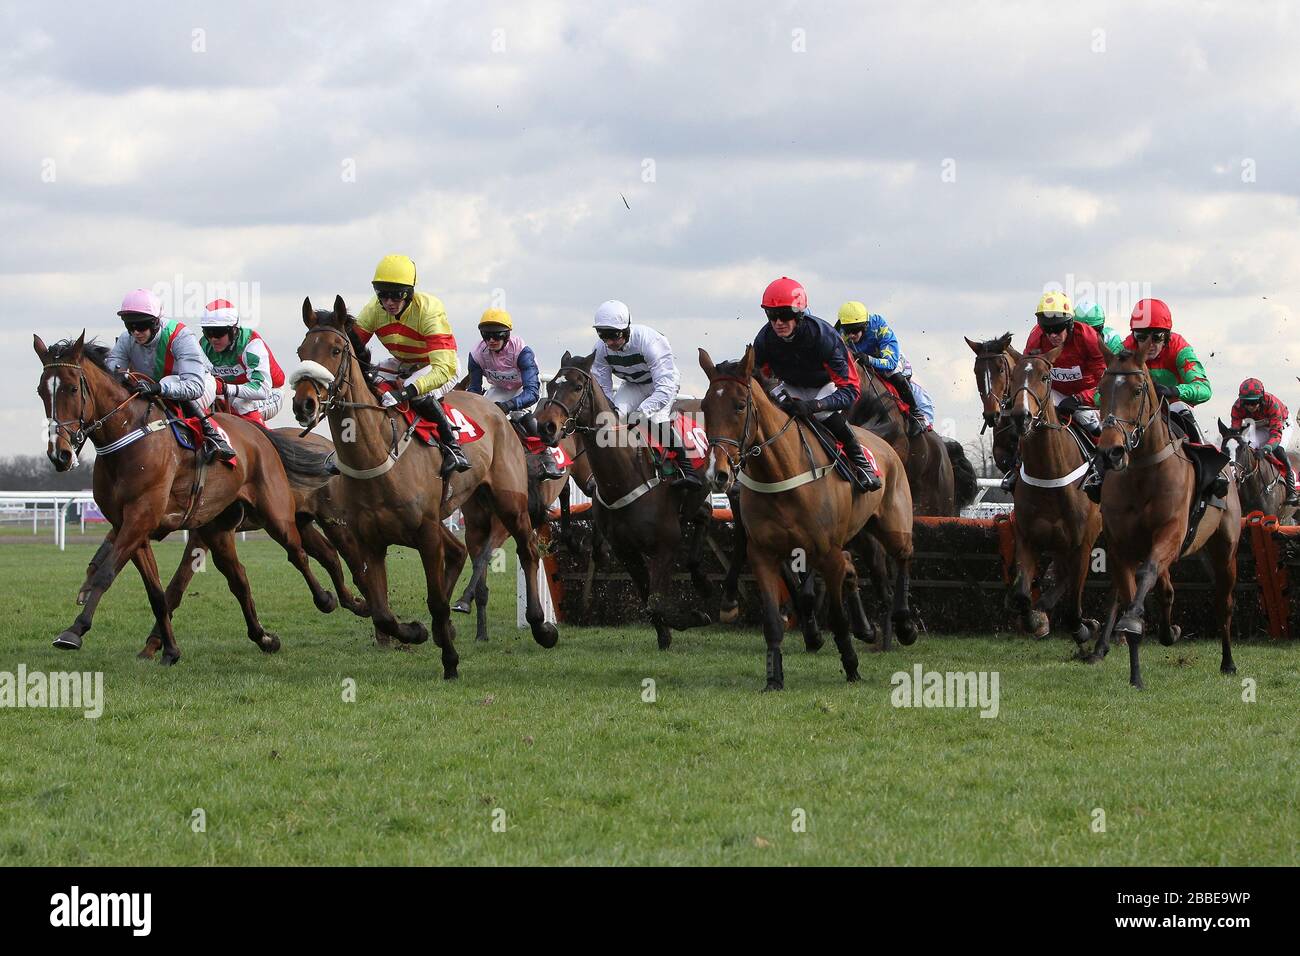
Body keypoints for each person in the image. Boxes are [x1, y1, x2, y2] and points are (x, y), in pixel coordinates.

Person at [752, 277, 881, 493]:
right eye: (771, 315)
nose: (777, 323)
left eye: (784, 315)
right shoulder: (765, 338)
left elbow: (851, 391)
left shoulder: (824, 337)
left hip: (825, 387)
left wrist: (814, 406)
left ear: (799, 314)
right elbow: (757, 378)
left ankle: (861, 463)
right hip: (789, 386)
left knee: (823, 415)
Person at [353, 254, 471, 476]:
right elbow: (351, 347)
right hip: (403, 362)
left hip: (439, 366)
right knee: (365, 381)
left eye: (396, 296)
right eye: (383, 295)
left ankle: (452, 446)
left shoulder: (429, 310)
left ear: (408, 294)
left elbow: (442, 368)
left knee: (416, 392)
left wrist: (406, 392)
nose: (389, 302)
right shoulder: (373, 310)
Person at [106, 288, 235, 461]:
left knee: (169, 382)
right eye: (130, 325)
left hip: (198, 384)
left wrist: (159, 387)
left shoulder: (181, 336)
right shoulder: (126, 339)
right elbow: (111, 371)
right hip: (156, 386)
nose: (136, 332)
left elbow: (194, 387)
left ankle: (212, 436)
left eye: (142, 325)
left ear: (156, 322)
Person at [590, 299, 702, 490]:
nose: (609, 342)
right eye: (603, 335)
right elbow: (603, 390)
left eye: (613, 336)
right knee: (610, 418)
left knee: (657, 420)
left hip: (662, 385)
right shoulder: (600, 349)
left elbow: (664, 388)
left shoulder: (651, 342)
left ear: (626, 329)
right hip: (633, 385)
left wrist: (642, 411)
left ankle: (688, 471)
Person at [1002, 291, 1107, 493]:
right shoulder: (1037, 336)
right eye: (1047, 330)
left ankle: (1102, 472)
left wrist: (1080, 398)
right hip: (1055, 391)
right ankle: (1017, 467)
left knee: (1089, 421)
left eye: (1058, 330)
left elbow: (1104, 379)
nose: (1052, 336)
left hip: (1088, 394)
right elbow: (1028, 370)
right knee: (1030, 415)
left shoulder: (1087, 337)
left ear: (1069, 325)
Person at [466, 308, 564, 480]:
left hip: (523, 389)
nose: (491, 340)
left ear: (507, 335)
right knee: (478, 417)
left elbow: (532, 392)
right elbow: (474, 389)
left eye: (497, 335)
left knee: (522, 416)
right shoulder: (476, 354)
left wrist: (509, 405)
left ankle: (548, 456)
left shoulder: (522, 351)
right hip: (498, 390)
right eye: (486, 335)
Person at [1121, 298, 1211, 444]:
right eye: (1141, 337)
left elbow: (1205, 389)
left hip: (1172, 409)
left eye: (1156, 337)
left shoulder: (1180, 349)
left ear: (1167, 337)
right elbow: (1101, 393)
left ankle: (1199, 453)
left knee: (1179, 407)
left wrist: (1174, 391)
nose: (1148, 345)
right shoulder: (1125, 348)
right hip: (1138, 410)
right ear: (1134, 336)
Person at [835, 301, 928, 436]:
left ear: (865, 325)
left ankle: (917, 415)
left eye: (855, 330)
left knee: (894, 374)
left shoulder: (880, 328)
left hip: (887, 359)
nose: (850, 335)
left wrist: (869, 359)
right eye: (847, 330)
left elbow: (890, 363)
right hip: (860, 360)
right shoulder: (839, 330)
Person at [198, 299, 285, 426]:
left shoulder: (252, 346)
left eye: (218, 332)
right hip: (230, 393)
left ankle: (265, 441)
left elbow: (262, 390)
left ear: (233, 330)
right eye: (207, 332)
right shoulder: (203, 345)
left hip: (270, 392)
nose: (213, 339)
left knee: (240, 404)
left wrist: (225, 388)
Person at [1230, 377, 1298, 506]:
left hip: (1282, 424)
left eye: (1254, 402)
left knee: (1277, 449)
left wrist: (1266, 449)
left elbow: (1276, 435)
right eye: (1246, 403)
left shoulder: (1273, 404)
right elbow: (1235, 433)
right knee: (1247, 448)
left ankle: (1291, 488)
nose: (1250, 406)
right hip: (1259, 425)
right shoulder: (1237, 407)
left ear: (1261, 399)